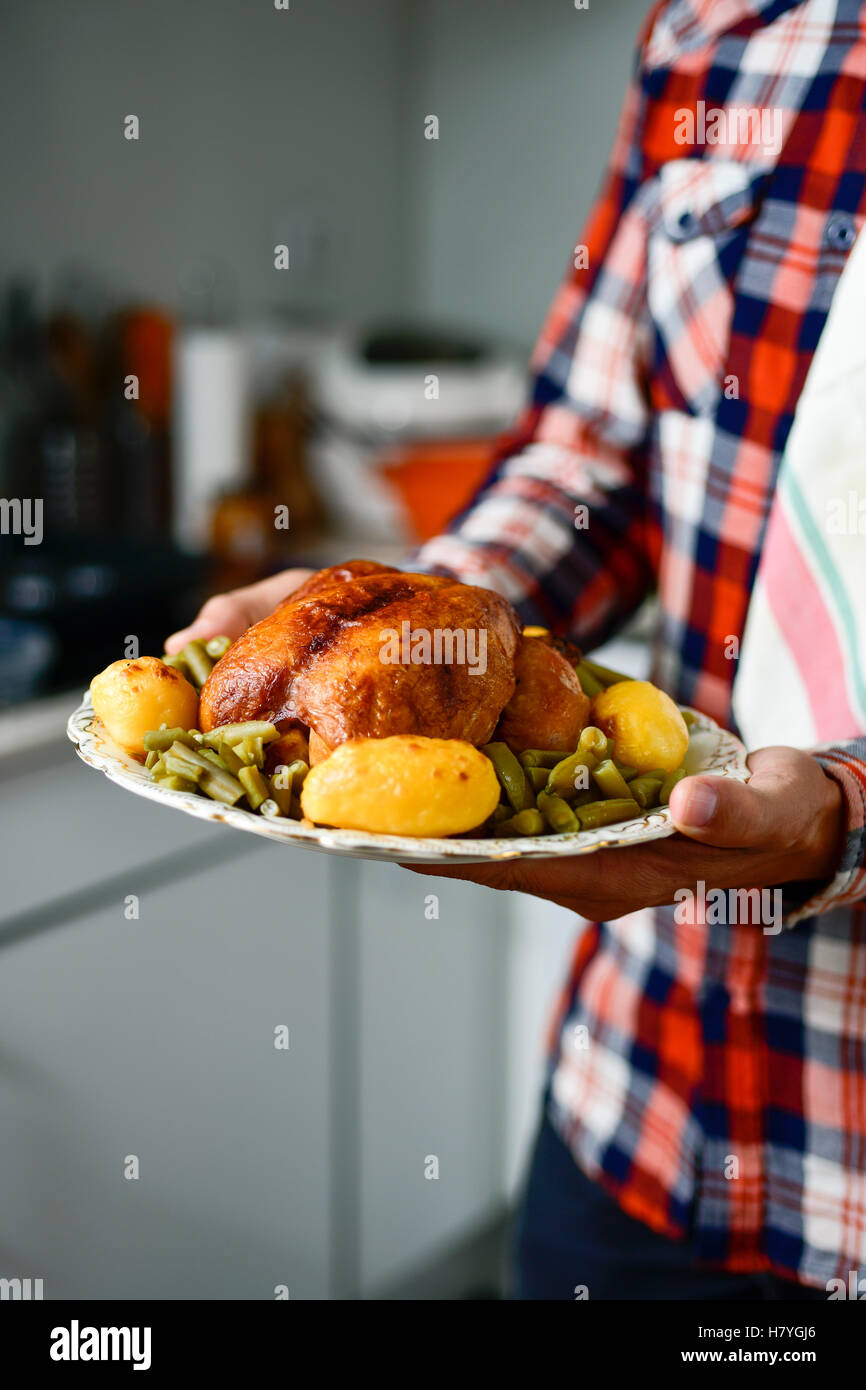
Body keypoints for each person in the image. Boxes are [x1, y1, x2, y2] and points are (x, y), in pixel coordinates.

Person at [168, 0, 866, 1300]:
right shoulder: (715, 29)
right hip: (653, 1103)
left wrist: (844, 813)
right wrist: (426, 621)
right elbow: (588, 451)